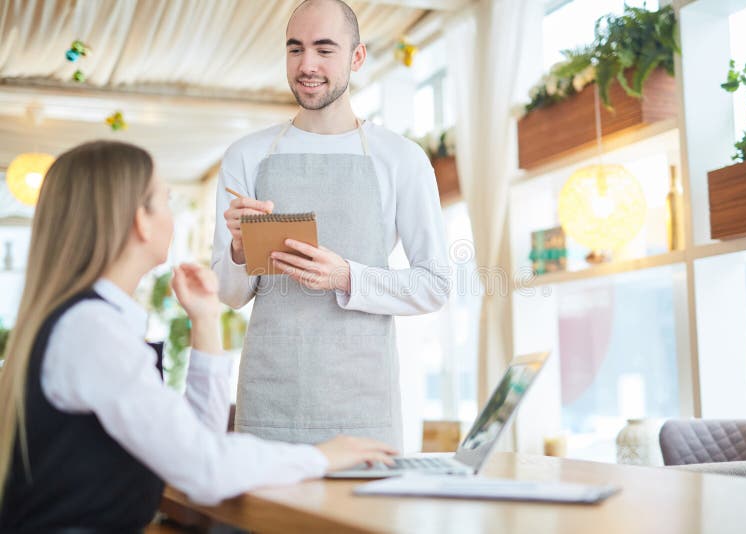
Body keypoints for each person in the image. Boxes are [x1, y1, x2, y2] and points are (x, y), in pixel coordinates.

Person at [0, 141, 396, 532]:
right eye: (166, 199)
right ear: (141, 220)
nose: (172, 214)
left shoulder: (87, 322)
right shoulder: (91, 331)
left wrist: (205, 319)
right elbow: (204, 469)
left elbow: (194, 443)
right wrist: (321, 458)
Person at [212, 0, 450, 451]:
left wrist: (345, 276)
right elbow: (229, 294)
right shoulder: (246, 155)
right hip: (269, 401)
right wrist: (239, 250)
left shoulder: (400, 158)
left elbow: (435, 284)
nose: (307, 65)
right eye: (295, 49)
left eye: (324, 49)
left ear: (357, 58)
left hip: (362, 406)